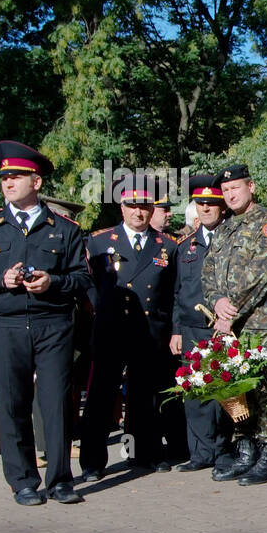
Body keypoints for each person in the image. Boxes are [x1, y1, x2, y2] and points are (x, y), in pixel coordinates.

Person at [0, 140, 90, 505]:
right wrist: (1, 280)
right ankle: (23, 481)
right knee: (13, 404)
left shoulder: (64, 228)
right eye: (4, 177)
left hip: (53, 325)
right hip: (6, 327)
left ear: (37, 182)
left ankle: (61, 479)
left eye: (16, 176)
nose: (8, 182)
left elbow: (82, 279)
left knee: (56, 404)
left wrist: (53, 282)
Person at [80, 176, 179, 478]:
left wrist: (174, 330)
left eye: (145, 207)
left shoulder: (167, 246)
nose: (139, 213)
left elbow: (175, 292)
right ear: (122, 207)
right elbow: (88, 285)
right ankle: (93, 462)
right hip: (112, 329)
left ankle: (138, 454)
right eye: (132, 206)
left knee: (142, 398)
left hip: (149, 332)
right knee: (101, 396)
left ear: (152, 209)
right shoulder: (99, 241)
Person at [203, 162, 267, 485]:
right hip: (231, 326)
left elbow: (261, 274)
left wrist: (230, 311)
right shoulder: (224, 228)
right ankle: (245, 451)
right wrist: (215, 301)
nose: (229, 194)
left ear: (250, 187)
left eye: (235, 188)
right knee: (237, 391)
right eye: (225, 191)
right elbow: (208, 271)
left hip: (264, 324)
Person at [170, 174, 231, 472]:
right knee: (195, 392)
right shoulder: (186, 247)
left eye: (212, 204)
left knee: (225, 391)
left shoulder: (232, 239)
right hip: (193, 328)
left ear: (221, 207)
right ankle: (200, 453)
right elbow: (178, 292)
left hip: (225, 327)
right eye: (201, 204)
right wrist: (176, 330)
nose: (206, 209)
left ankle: (224, 452)